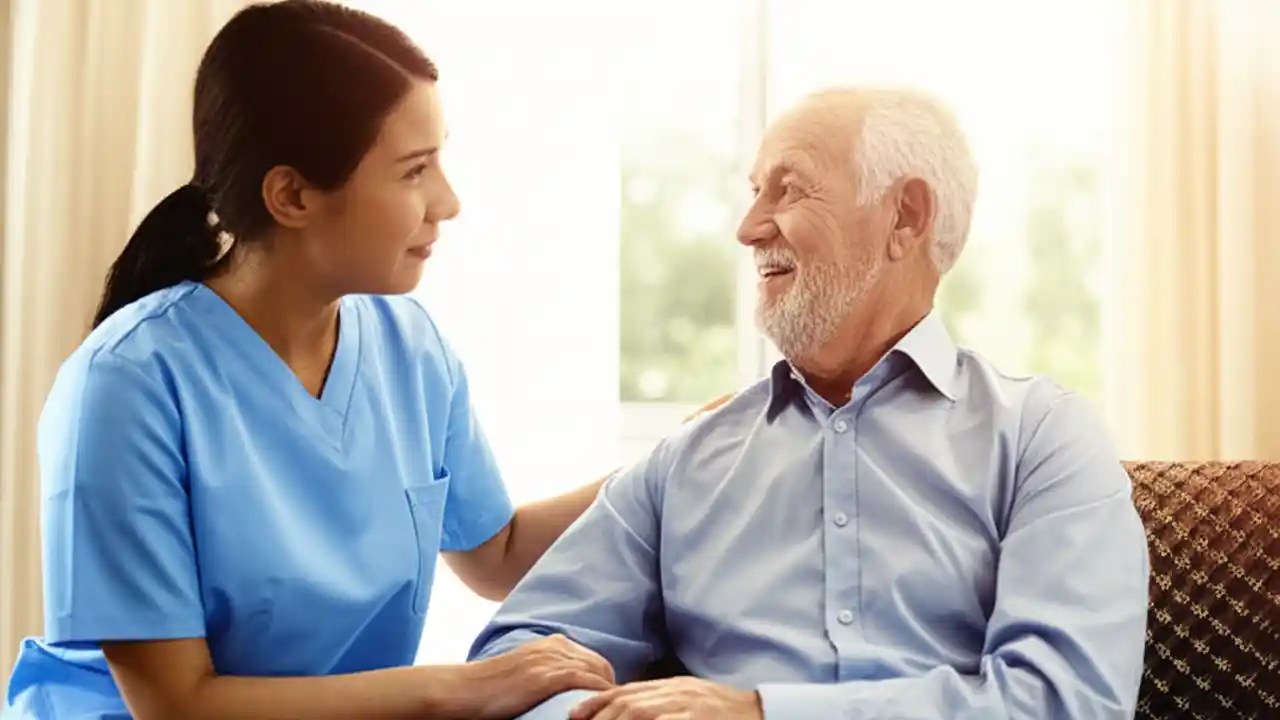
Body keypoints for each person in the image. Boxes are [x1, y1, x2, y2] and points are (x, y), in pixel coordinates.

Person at [1, 2, 621, 718]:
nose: (446, 203)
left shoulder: (409, 348)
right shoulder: (125, 385)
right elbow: (177, 705)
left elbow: (498, 553)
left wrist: (683, 458)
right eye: (414, 171)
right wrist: (461, 688)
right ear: (291, 194)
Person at [469, 88, 1151, 720]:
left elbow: (1067, 699)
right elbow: (515, 654)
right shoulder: (691, 456)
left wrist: (762, 712)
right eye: (753, 191)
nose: (747, 227)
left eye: (787, 189)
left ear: (905, 216)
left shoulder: (1042, 436)